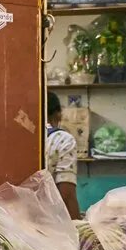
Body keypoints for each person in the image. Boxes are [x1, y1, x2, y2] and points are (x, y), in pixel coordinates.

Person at [46, 91, 81, 220]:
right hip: (48, 220)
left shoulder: (18, 137)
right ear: (58, 113)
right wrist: (80, 231)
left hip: (14, 219)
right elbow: (67, 195)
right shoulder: (63, 139)